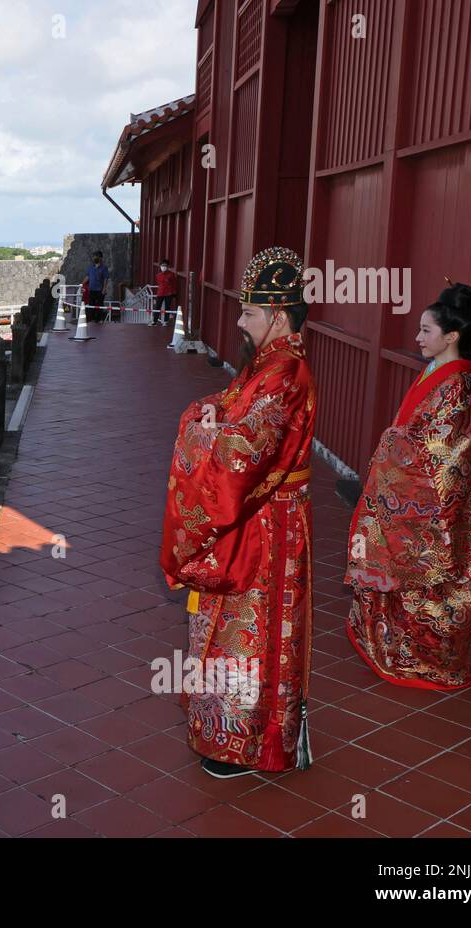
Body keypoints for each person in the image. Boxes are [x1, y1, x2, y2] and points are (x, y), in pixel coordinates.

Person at [159, 246, 316, 779]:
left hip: (267, 523)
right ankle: (224, 731)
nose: (241, 321)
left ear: (278, 314)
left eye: (249, 313)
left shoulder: (288, 372)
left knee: (249, 633)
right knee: (224, 630)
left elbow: (244, 454)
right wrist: (210, 412)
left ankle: (250, 741)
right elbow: (234, 411)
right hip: (251, 515)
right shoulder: (267, 366)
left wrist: (203, 432)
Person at [346, 282, 471, 690]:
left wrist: (392, 447)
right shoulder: (437, 375)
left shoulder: (459, 387)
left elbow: (444, 453)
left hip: (430, 502)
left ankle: (419, 658)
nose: (418, 338)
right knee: (398, 573)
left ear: (452, 336)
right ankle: (393, 646)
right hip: (407, 491)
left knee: (423, 577)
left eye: (426, 331)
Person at [153, 258, 178, 327]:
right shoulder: (158, 275)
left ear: (167, 266)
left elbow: (174, 284)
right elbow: (159, 284)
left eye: (165, 265)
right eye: (162, 265)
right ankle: (155, 321)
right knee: (157, 307)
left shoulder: (171, 275)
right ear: (160, 266)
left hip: (168, 294)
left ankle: (165, 321)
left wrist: (174, 293)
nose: (163, 267)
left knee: (167, 308)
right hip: (160, 293)